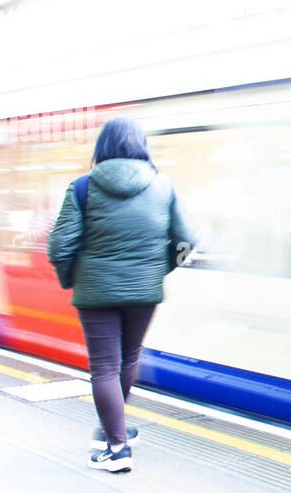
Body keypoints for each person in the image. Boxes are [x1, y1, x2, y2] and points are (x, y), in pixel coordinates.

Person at [47, 117, 196, 473]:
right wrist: (159, 269)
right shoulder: (164, 186)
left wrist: (73, 278)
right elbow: (186, 239)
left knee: (104, 367)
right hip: (144, 291)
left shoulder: (83, 187)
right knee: (128, 359)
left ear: (103, 147)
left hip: (95, 291)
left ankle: (116, 448)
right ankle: (114, 430)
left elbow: (59, 246)